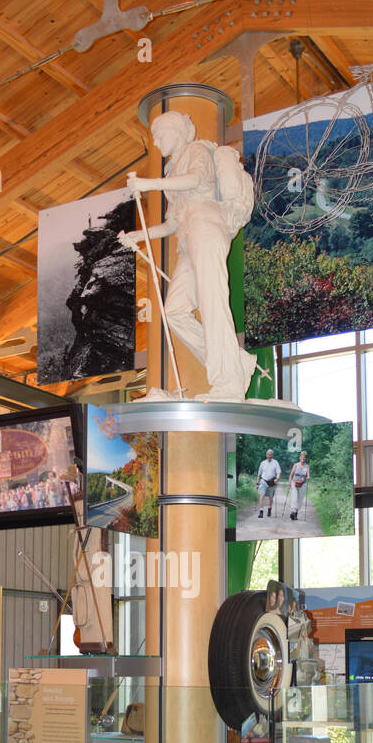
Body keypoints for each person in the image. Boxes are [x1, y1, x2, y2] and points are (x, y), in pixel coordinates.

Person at [118, 111, 257, 400]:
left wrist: (149, 185)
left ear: (178, 132)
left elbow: (195, 180)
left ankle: (228, 383)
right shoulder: (172, 171)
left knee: (212, 302)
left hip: (207, 226)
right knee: (174, 312)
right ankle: (235, 363)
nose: (156, 143)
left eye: (160, 135)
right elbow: (172, 223)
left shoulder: (196, 150)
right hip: (189, 238)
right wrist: (139, 236)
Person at [256, 449, 281, 519]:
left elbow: (279, 472)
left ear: (272, 455)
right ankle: (261, 511)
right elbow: (259, 474)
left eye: (271, 454)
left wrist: (277, 479)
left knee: (271, 497)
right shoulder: (262, 463)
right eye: (268, 454)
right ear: (266, 455)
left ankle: (269, 508)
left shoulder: (275, 462)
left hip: (272, 482)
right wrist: (257, 483)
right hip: (263, 481)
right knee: (262, 495)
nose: (269, 456)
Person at [287, 451, 310, 521]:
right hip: (294, 483)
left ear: (305, 458)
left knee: (300, 499)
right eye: (302, 457)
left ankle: (294, 513)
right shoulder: (296, 465)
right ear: (300, 457)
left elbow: (308, 475)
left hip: (302, 484)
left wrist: (308, 477)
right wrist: (289, 484)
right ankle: (294, 513)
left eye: (304, 457)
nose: (303, 458)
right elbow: (291, 475)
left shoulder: (307, 466)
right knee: (294, 498)